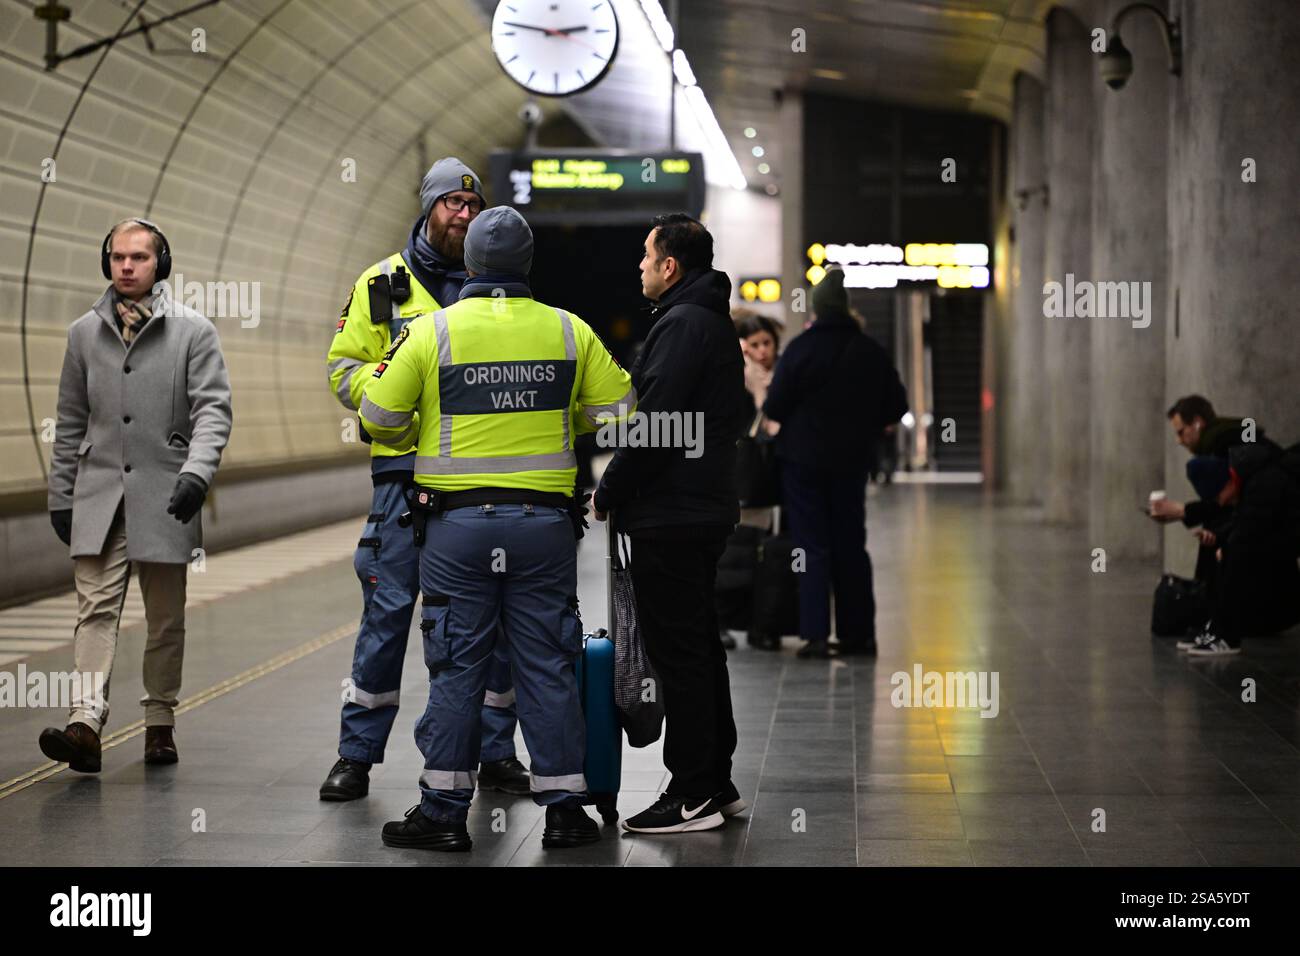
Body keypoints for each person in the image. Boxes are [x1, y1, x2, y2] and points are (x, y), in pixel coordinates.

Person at [361, 206, 635, 852]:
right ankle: (566, 810)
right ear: (527, 265)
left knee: (458, 665)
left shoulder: (433, 332)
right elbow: (619, 411)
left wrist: (417, 423)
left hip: (457, 531)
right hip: (544, 528)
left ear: (473, 265)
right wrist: (562, 421)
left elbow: (377, 413)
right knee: (546, 661)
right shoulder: (568, 331)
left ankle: (444, 812)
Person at [320, 159, 530, 802]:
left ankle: (494, 750)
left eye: (472, 207)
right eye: (451, 206)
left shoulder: (495, 284)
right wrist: (392, 393)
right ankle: (355, 755)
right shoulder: (385, 284)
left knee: (489, 622)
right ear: (429, 208)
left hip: (477, 480)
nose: (462, 216)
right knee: (387, 611)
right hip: (404, 478)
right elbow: (344, 370)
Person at [41, 217, 232, 771]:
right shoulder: (83, 334)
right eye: (119, 257)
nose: (127, 267)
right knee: (94, 611)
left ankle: (158, 722)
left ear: (160, 265)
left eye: (139, 258)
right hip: (98, 497)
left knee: (165, 618)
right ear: (107, 262)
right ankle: (85, 723)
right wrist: (61, 494)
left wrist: (197, 473)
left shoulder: (193, 331)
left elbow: (213, 410)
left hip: (168, 497)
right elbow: (70, 419)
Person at [592, 213, 752, 834]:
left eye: (645, 254)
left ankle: (692, 792)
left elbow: (655, 423)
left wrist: (610, 488)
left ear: (670, 267)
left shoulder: (682, 325)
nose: (637, 264)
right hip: (698, 508)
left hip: (674, 514)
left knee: (679, 655)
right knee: (700, 650)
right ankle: (716, 780)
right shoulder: (705, 319)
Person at [763, 266, 907, 660]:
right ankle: (858, 634)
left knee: (811, 545)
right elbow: (897, 405)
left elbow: (775, 405)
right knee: (850, 542)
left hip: (802, 462)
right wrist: (863, 426)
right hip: (851, 461)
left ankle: (815, 635)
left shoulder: (799, 349)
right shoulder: (869, 350)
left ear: (816, 308)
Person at [1177, 439, 1300, 656]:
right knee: (1224, 546)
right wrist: (1219, 537)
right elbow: (1244, 518)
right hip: (1286, 533)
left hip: (1289, 538)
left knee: (1235, 555)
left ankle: (1226, 635)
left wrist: (1227, 545)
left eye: (1218, 496)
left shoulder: (1264, 481)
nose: (1221, 502)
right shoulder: (1251, 475)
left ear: (1228, 483)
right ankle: (1215, 624)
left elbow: (1252, 526)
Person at [1149, 396, 1258, 594]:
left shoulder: (1213, 454)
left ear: (1198, 423)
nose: (1179, 440)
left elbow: (1224, 504)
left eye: (1181, 432)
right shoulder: (1228, 436)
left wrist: (1182, 511)